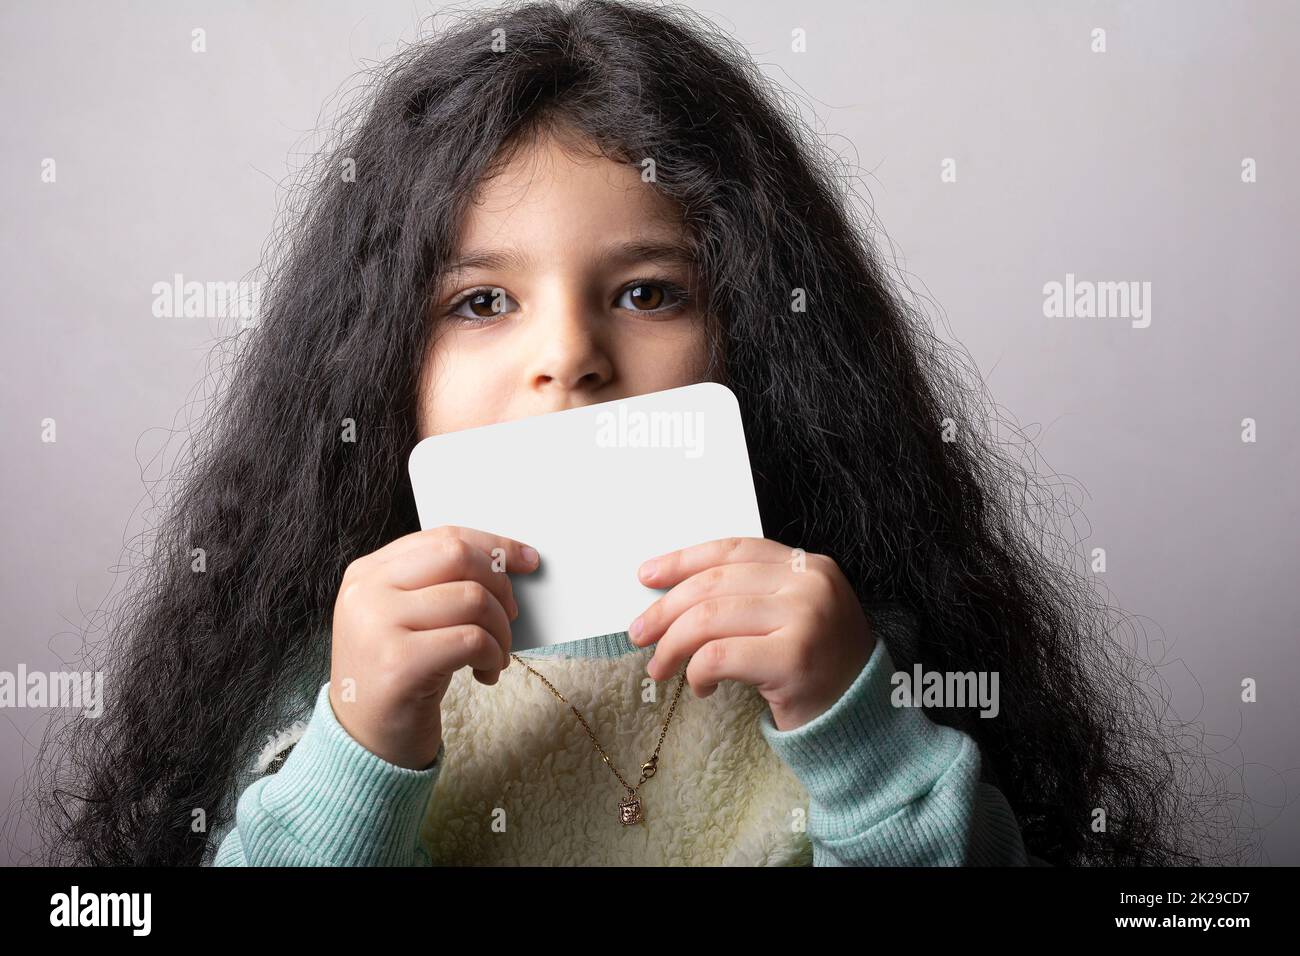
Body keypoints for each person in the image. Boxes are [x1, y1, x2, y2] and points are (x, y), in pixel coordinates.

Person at [37, 0, 1201, 866]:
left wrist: (856, 729)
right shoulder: (333, 675)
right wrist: (361, 742)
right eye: (481, 302)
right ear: (380, 359)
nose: (569, 357)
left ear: (749, 339)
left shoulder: (843, 651)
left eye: (648, 291)